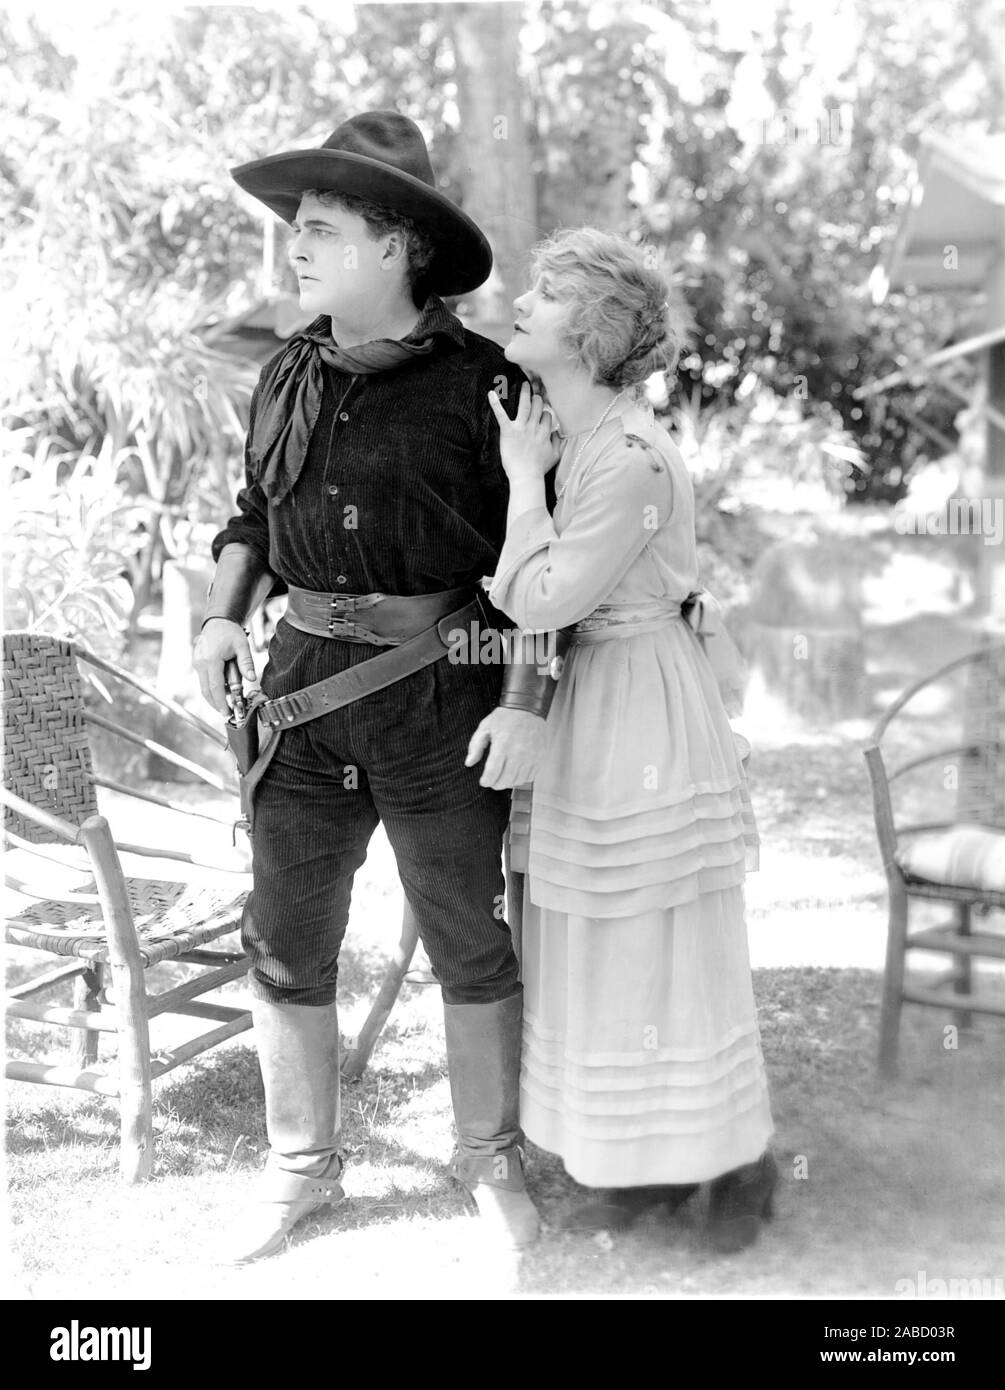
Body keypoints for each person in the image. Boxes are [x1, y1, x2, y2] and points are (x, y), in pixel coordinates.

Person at [194, 110, 563, 1262]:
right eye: (294, 229)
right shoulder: (283, 371)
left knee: (468, 934)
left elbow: (538, 571)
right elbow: (254, 516)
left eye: (321, 228)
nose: (294, 249)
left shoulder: (486, 385)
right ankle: (300, 1166)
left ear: (399, 243)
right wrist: (219, 610)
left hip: (441, 700)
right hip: (299, 698)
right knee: (288, 937)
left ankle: (489, 1157)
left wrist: (525, 701)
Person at [479, 227, 776, 1254]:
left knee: (652, 936)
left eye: (547, 293)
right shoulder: (589, 439)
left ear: (594, 335)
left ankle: (719, 1172)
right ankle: (631, 1161)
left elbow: (546, 593)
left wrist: (521, 479)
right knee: (606, 938)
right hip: (603, 696)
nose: (523, 299)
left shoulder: (631, 460)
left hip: (638, 700)